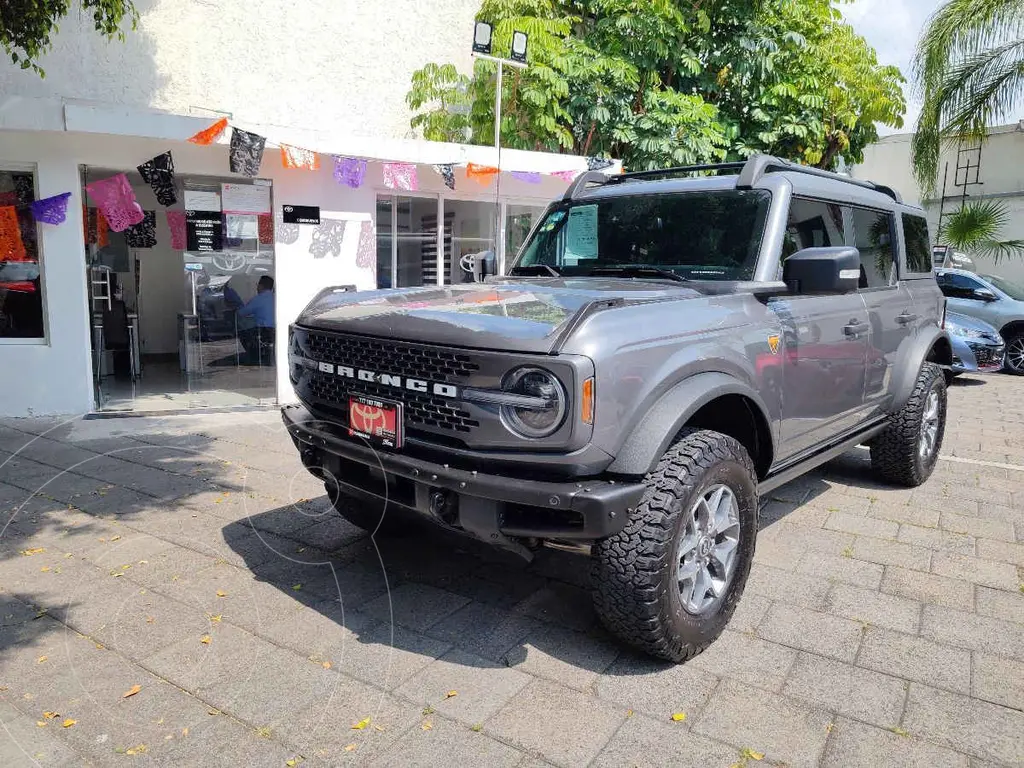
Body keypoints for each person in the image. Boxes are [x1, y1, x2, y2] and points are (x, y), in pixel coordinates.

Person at [237, 275, 275, 363]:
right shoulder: (275, 297)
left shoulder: (259, 298)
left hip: (264, 331)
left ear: (261, 286)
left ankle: (255, 355)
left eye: (257, 285)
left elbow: (241, 313)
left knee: (243, 331)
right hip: (275, 330)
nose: (257, 287)